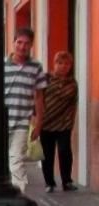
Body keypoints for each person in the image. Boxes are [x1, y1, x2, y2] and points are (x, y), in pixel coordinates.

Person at [4, 28, 47, 194]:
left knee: (16, 159)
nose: (22, 46)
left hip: (22, 121)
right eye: (19, 42)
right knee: (1, 161)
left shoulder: (36, 67)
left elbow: (39, 97)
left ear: (31, 45)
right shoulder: (2, 65)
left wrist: (38, 124)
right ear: (14, 43)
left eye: (26, 43)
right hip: (2, 121)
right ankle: (6, 191)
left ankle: (18, 195)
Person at [41, 51, 78, 193]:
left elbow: (73, 104)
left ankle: (67, 181)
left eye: (67, 64)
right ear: (54, 64)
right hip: (46, 122)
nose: (63, 66)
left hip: (64, 123)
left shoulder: (72, 83)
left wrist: (71, 121)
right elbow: (38, 99)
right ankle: (49, 183)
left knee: (64, 151)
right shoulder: (46, 79)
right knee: (47, 153)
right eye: (60, 63)